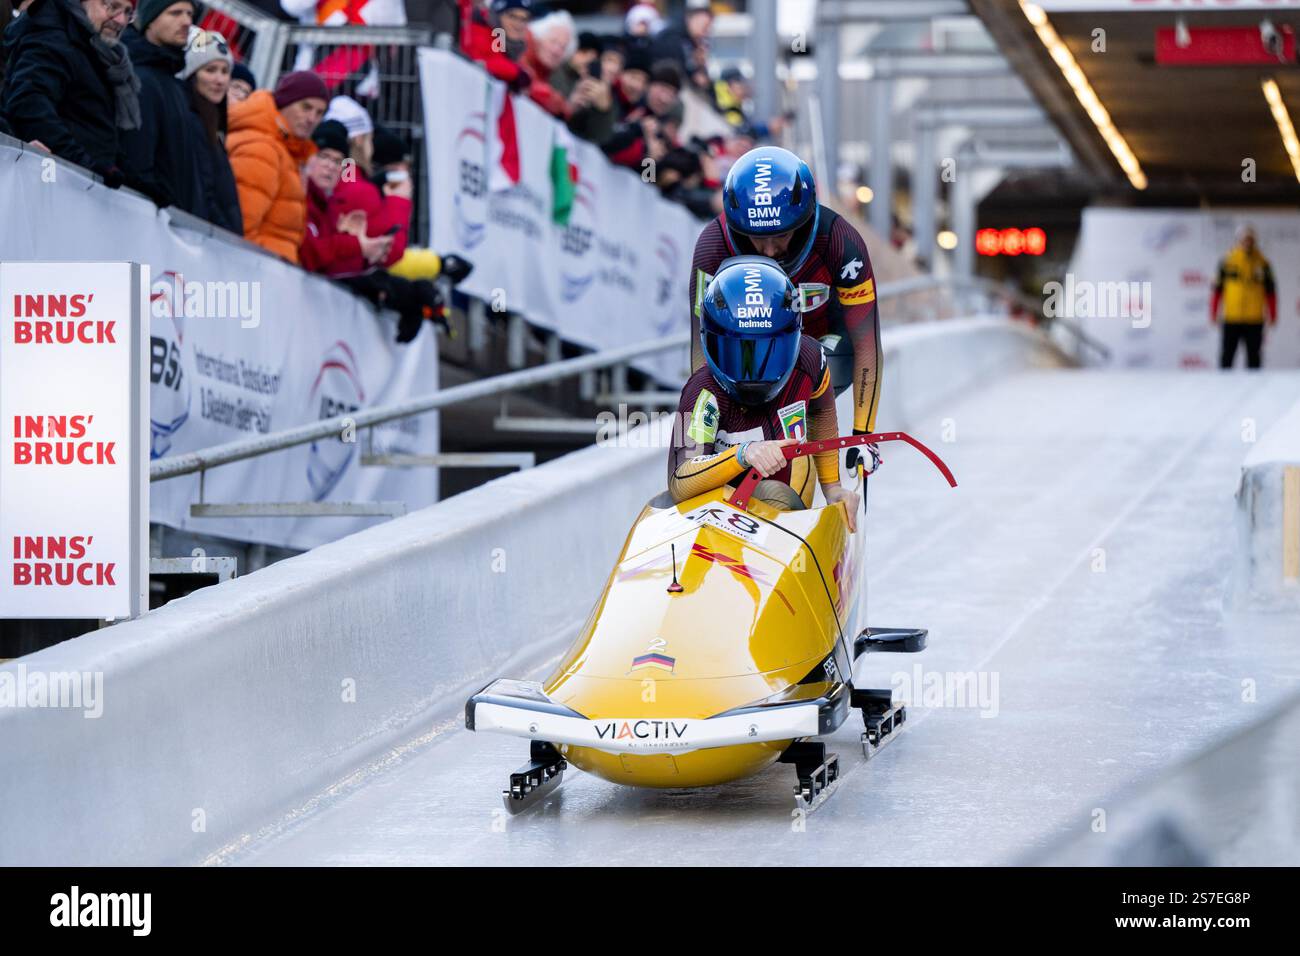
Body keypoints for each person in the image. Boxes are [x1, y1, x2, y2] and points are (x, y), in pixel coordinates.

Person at [689, 146, 882, 470]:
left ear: (803, 220)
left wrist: (864, 434)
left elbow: (866, 339)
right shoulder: (713, 244)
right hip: (752, 352)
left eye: (780, 236)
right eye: (755, 238)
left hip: (824, 347)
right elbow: (701, 338)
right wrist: (702, 422)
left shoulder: (840, 242)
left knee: (795, 401)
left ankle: (796, 488)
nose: (768, 250)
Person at [668, 257, 860, 528]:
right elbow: (680, 481)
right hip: (710, 511)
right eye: (739, 353)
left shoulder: (810, 360)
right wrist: (743, 455)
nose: (753, 371)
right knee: (776, 494)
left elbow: (821, 412)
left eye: (768, 351)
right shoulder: (702, 392)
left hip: (780, 508)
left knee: (783, 486)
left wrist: (833, 489)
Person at [0, 0, 141, 185]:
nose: (121, 20)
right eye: (112, 7)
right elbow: (31, 105)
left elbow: (94, 127)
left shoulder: (96, 53)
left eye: (128, 12)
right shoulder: (53, 36)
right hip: (52, 185)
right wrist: (84, 163)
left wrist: (131, 176)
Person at [226, 68, 326, 262]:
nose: (312, 118)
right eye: (306, 107)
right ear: (286, 102)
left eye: (319, 112)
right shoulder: (263, 149)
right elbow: (240, 230)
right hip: (255, 272)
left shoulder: (287, 150)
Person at [121, 0, 201, 212]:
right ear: (149, 21)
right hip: (149, 220)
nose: (186, 22)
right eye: (175, 13)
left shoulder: (173, 83)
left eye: (189, 14)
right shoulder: (140, 79)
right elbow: (137, 163)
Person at [178, 25, 241, 234]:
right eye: (210, 70)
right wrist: (225, 235)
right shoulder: (190, 120)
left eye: (225, 71)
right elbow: (203, 192)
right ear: (192, 74)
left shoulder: (214, 124)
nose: (220, 79)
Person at [1212, 225, 1277, 370]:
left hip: (1254, 318)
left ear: (1254, 240)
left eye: (1250, 239)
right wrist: (1213, 313)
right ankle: (1221, 389)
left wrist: (1273, 314)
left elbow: (1271, 292)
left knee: (1254, 358)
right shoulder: (1227, 261)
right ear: (1238, 240)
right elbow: (1217, 290)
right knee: (1226, 357)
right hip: (1231, 317)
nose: (1247, 242)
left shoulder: (1263, 264)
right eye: (1244, 239)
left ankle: (1256, 390)